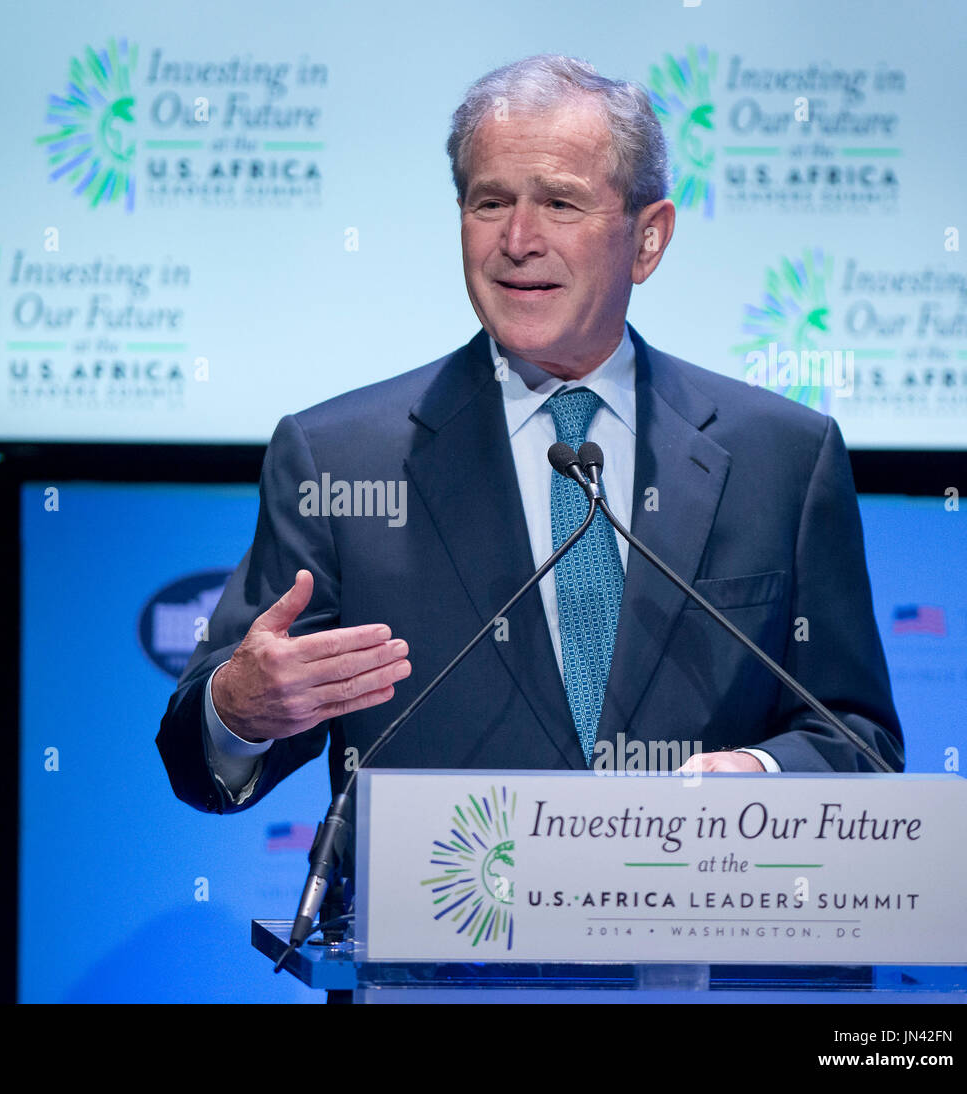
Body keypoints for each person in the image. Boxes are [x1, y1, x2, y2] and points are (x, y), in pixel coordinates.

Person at [157, 54, 902, 821]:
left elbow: (857, 740)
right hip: (440, 934)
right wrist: (237, 711)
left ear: (649, 240)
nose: (517, 239)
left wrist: (758, 775)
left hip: (700, 927)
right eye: (490, 202)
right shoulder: (339, 459)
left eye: (560, 203)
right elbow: (196, 753)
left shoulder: (781, 459)